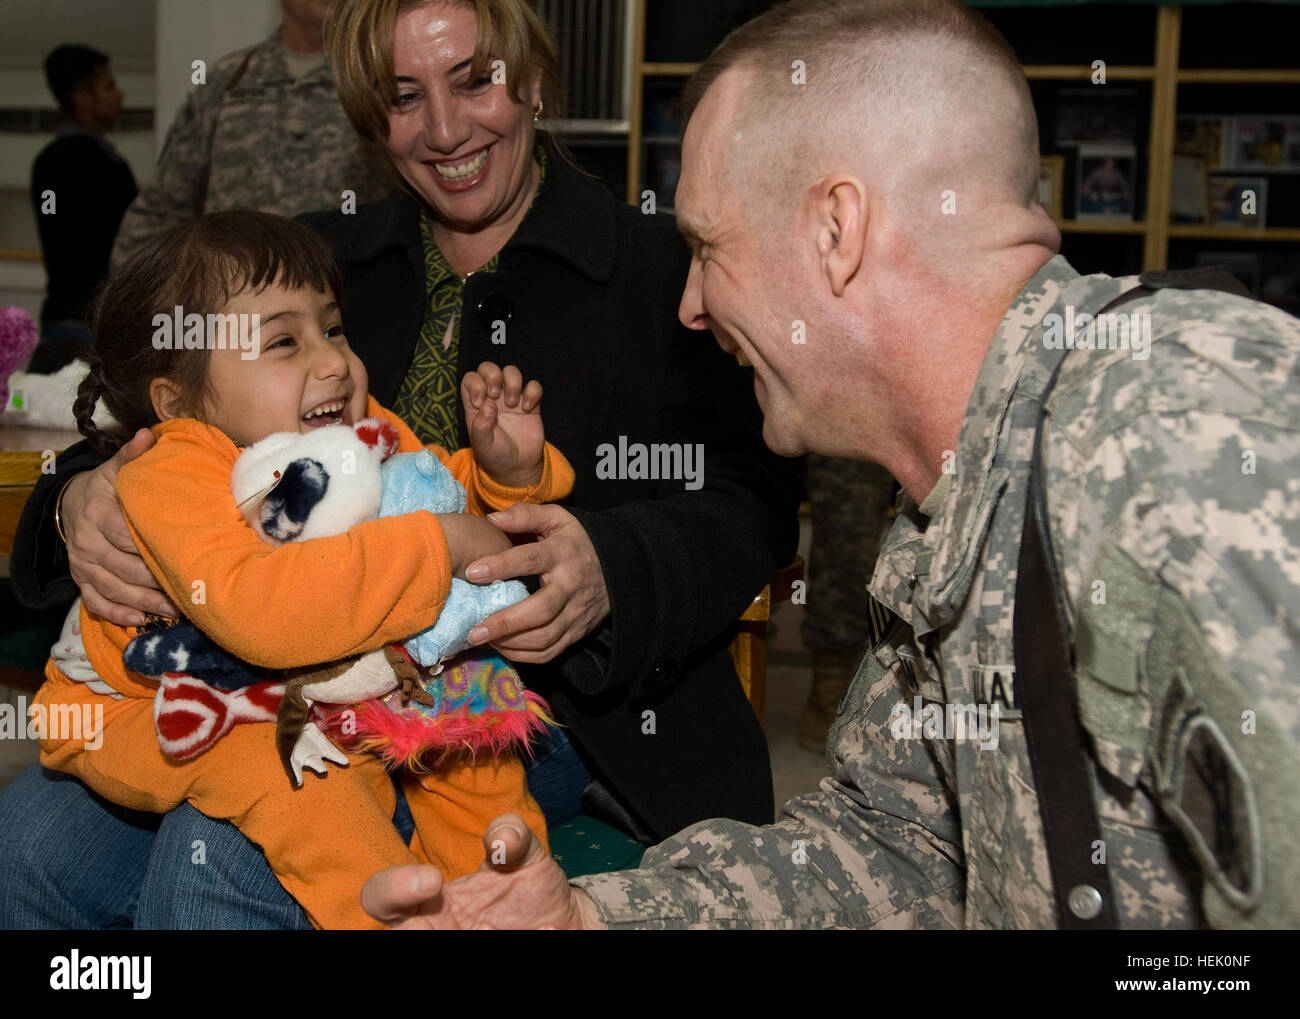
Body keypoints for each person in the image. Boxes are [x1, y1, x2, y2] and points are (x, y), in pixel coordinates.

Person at [360, 0, 1300, 930]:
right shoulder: (956, 500)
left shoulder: (1176, 426)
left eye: (706, 246)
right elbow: (894, 842)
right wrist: (588, 919)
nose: (689, 305)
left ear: (836, 231)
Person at [1, 0, 800, 929]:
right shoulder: (305, 264)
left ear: (533, 78)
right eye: (404, 96)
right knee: (23, 845)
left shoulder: (664, 272)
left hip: (547, 704)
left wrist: (609, 566)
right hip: (264, 673)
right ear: (369, 116)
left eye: (475, 80)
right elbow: (138, 414)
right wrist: (80, 500)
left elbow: (755, 501)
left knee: (217, 856)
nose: (447, 129)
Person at [33, 209, 571, 929]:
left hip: (309, 678)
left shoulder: (354, 432)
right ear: (181, 399)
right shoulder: (174, 467)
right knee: (286, 769)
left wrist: (506, 475)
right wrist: (438, 548)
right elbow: (266, 613)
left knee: (461, 709)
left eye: (334, 328)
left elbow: (433, 494)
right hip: (142, 710)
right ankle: (390, 912)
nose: (334, 361)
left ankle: (500, 893)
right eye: (284, 340)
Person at [109, 0, 389, 267]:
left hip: (352, 297)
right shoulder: (228, 79)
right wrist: (136, 302)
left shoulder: (382, 73)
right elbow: (163, 205)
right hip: (237, 297)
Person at [28, 45, 137, 374]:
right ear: (82, 97)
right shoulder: (102, 164)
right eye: (108, 86)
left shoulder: (48, 162)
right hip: (90, 328)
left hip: (63, 321)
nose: (120, 94)